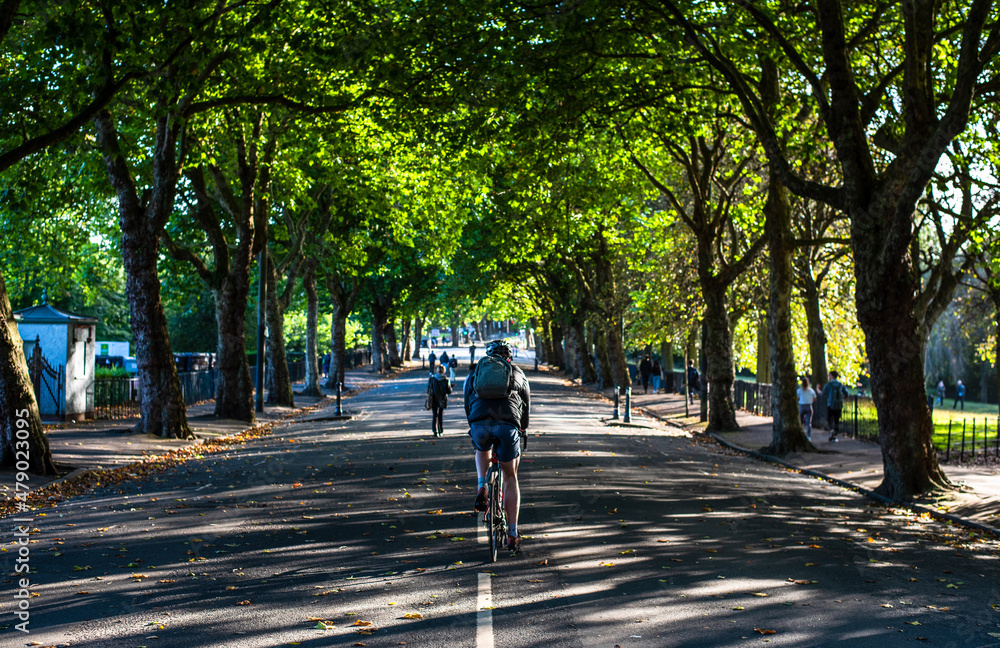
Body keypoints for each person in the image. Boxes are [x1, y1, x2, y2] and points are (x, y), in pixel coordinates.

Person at [465, 339, 530, 553]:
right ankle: (512, 534)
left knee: (481, 449)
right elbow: (526, 406)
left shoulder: (476, 373)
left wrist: (474, 425)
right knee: (510, 476)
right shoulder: (517, 373)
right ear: (509, 357)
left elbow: (467, 404)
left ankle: (482, 486)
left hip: (479, 425)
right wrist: (523, 430)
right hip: (508, 426)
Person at [822, 370, 849, 442]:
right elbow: (846, 393)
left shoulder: (828, 385)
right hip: (838, 405)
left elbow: (823, 394)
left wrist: (818, 390)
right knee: (836, 420)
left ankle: (831, 431)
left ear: (832, 376)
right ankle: (835, 434)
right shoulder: (840, 384)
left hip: (830, 404)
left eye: (829, 375)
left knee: (829, 419)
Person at [427, 365, 452, 437]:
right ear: (443, 371)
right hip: (442, 399)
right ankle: (440, 430)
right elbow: (449, 391)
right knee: (440, 415)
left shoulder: (432, 379)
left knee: (435, 415)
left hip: (433, 399)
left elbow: (428, 389)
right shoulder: (446, 380)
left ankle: (435, 430)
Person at [797, 376, 817, 441]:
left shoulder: (799, 390)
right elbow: (815, 398)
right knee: (808, 422)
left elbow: (797, 398)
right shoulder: (811, 390)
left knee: (801, 422)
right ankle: (808, 436)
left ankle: (800, 434)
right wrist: (810, 401)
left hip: (801, 406)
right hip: (809, 406)